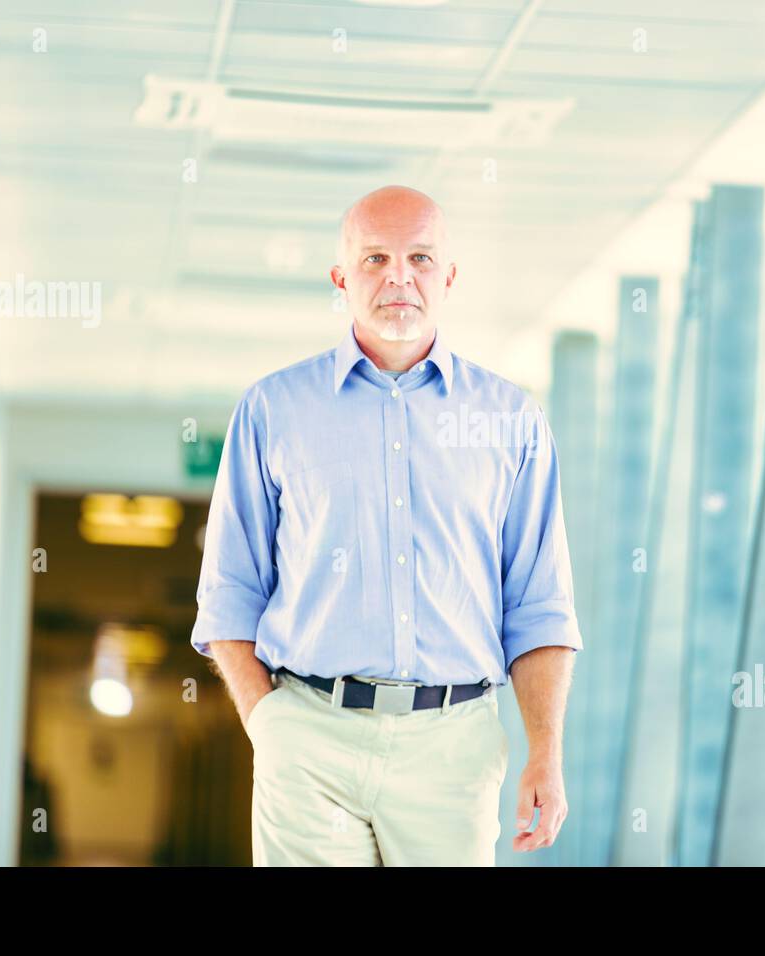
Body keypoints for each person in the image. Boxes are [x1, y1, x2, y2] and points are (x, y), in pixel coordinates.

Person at [190, 184, 583, 866]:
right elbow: (230, 592)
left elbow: (540, 605)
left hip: (452, 751)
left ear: (449, 277)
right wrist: (272, 725)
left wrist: (545, 750)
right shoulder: (272, 411)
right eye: (374, 259)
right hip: (308, 736)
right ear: (341, 279)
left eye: (420, 258)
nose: (398, 275)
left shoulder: (511, 422)